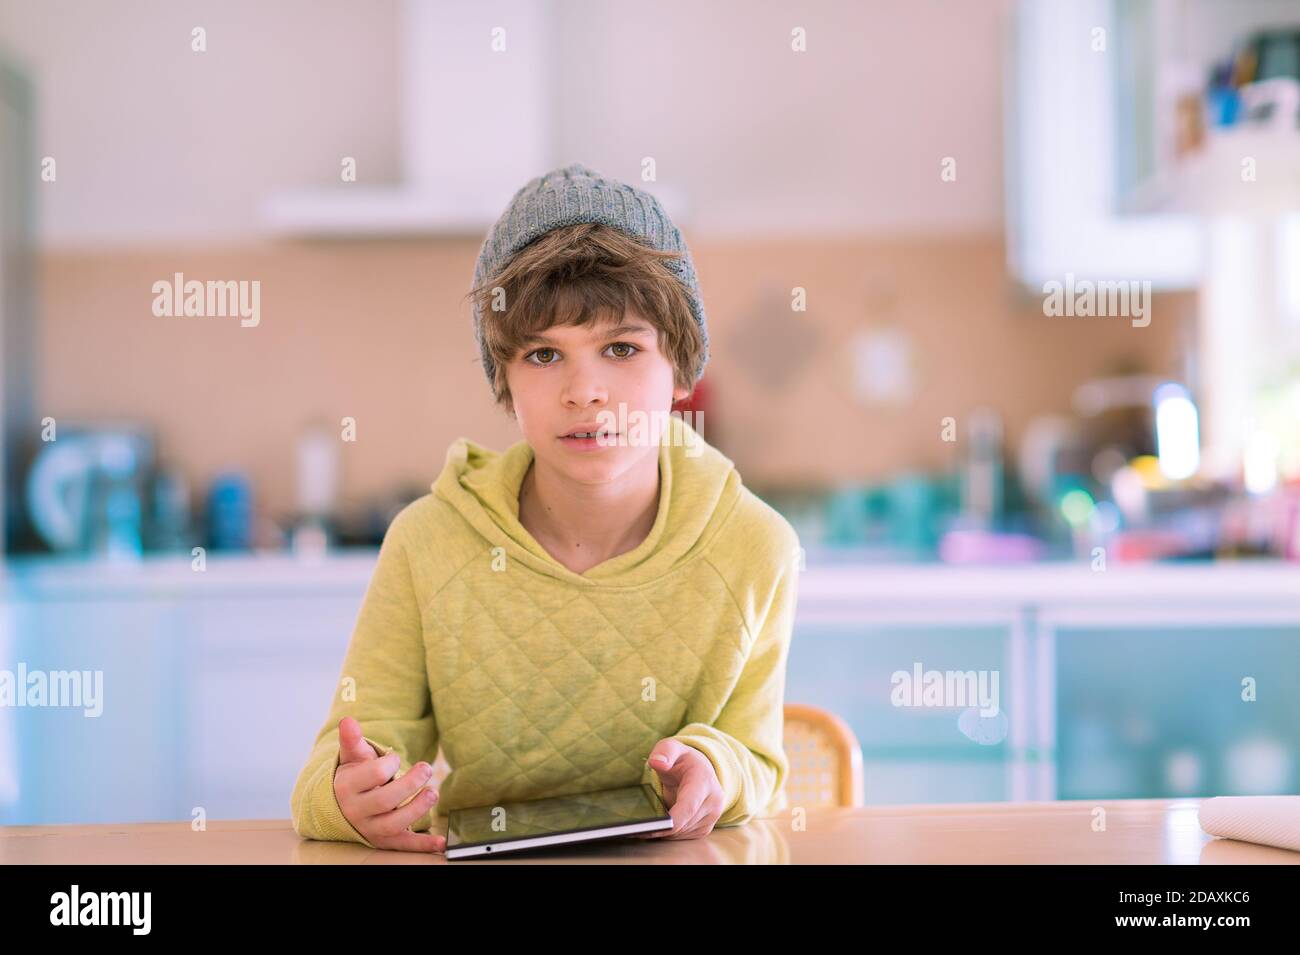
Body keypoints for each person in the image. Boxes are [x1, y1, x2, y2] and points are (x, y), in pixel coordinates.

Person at [290, 163, 800, 853]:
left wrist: (717, 768)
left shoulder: (754, 548)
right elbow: (339, 762)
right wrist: (347, 795)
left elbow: (758, 759)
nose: (584, 390)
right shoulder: (427, 542)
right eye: (542, 354)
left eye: (621, 347)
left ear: (681, 366)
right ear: (503, 376)